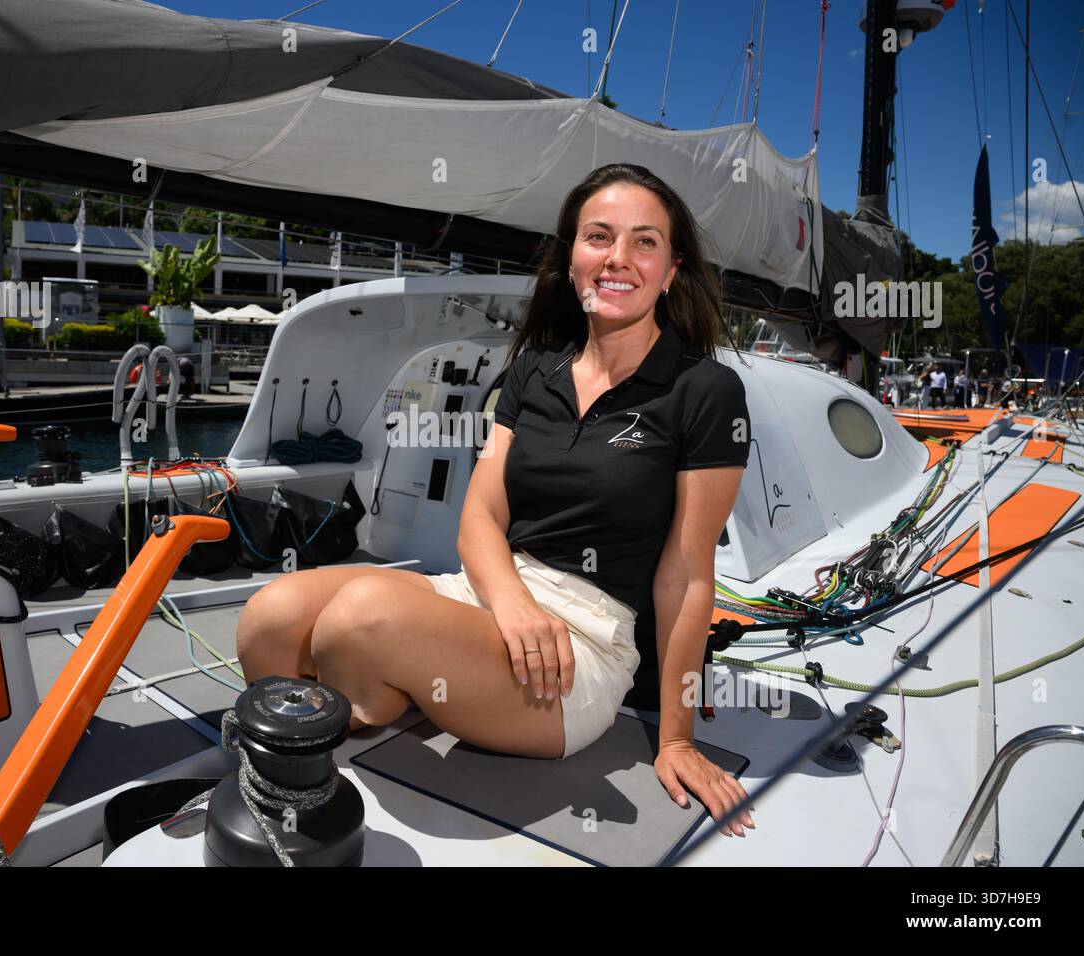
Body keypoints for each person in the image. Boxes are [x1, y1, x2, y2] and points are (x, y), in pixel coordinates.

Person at [235, 163, 755, 838]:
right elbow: (481, 515)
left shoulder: (704, 392)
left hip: (583, 643)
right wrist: (509, 603)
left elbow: (685, 577)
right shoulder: (534, 371)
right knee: (269, 617)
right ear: (572, 257)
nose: (619, 258)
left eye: (645, 241)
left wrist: (677, 738)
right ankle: (332, 748)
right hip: (488, 597)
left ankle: (373, 695)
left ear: (672, 268)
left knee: (358, 619)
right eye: (599, 237)